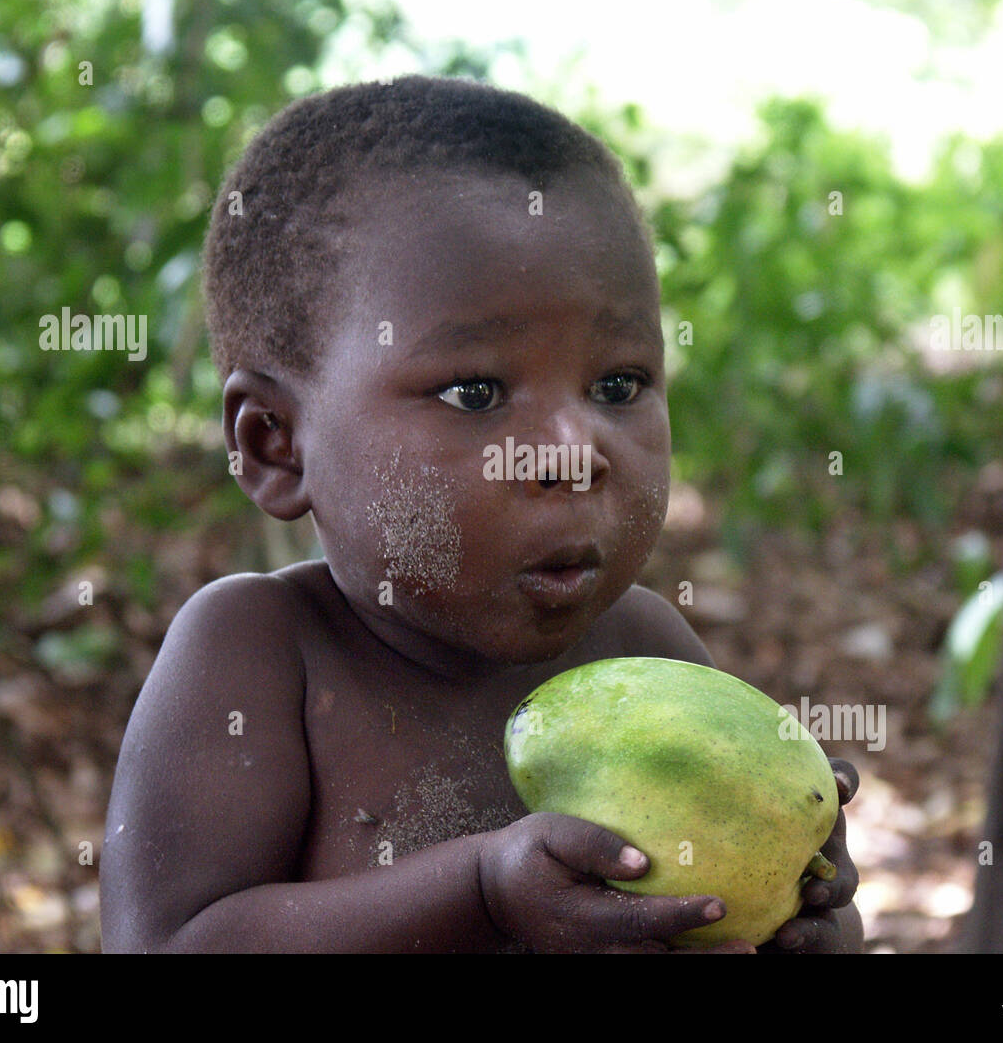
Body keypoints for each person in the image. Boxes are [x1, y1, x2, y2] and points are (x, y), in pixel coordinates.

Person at [99, 75, 862, 953]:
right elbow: (170, 946)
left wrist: (801, 910)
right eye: (476, 391)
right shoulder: (260, 656)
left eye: (618, 384)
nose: (572, 450)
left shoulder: (645, 649)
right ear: (276, 444)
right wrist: (480, 892)